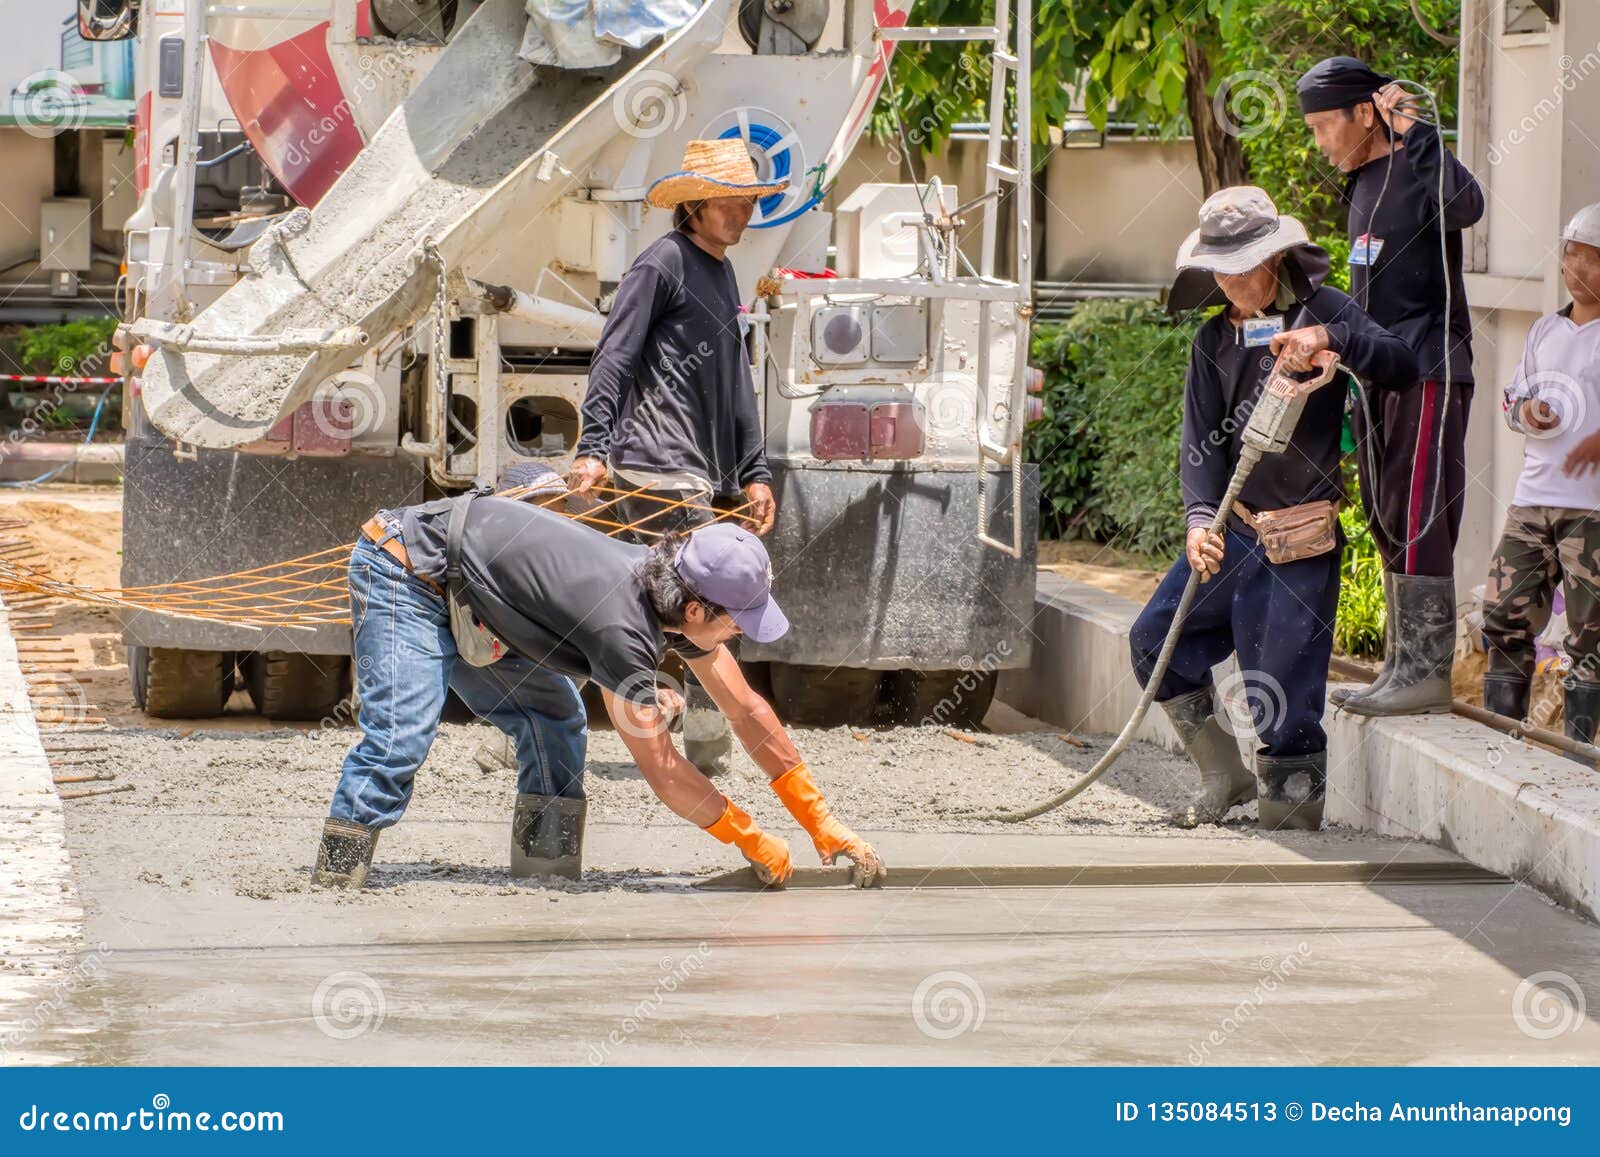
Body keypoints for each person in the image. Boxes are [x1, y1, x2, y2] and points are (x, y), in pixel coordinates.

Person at [310, 491, 886, 890]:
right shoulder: (622, 631)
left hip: (474, 591)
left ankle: (543, 872)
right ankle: (337, 874)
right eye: (737, 622)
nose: (739, 633)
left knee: (556, 719)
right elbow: (662, 769)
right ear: (694, 608)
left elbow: (744, 707)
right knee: (402, 736)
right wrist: (751, 838)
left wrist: (820, 821)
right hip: (408, 569)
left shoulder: (671, 595)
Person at [1130, 187, 1416, 831]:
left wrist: (1332, 338)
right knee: (1155, 641)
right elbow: (1200, 445)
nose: (1232, 283)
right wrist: (1200, 521)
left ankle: (1291, 827)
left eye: (1244, 267)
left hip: (1299, 541)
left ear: (1276, 258)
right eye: (1220, 271)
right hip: (1233, 532)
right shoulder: (1212, 342)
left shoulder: (1326, 310)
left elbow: (1402, 363)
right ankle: (1223, 775)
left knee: (1283, 696)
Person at [569, 138, 782, 777]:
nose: (742, 213)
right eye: (729, 202)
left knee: (673, 599)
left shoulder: (720, 270)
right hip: (660, 461)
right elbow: (614, 355)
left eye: (748, 202)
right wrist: (593, 447)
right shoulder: (660, 264)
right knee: (691, 600)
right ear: (692, 205)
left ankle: (706, 736)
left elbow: (737, 379)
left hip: (708, 469)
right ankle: (707, 739)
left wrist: (755, 470)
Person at [1299, 56, 1486, 716]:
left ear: (1364, 111)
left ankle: (1429, 673)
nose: (1319, 141)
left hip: (1430, 363)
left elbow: (1468, 205)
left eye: (1325, 125)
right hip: (1377, 370)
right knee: (1384, 514)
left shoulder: (1418, 161)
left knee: (1420, 511)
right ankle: (1401, 666)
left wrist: (1416, 128)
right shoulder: (1360, 185)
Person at [1482, 203, 1600, 755]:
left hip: (1592, 510)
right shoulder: (1544, 329)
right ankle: (1500, 747)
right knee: (1505, 615)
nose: (1575, 267)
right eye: (1571, 254)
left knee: (1589, 636)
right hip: (1532, 502)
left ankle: (1580, 757)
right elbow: (1512, 399)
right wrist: (1526, 413)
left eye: (1590, 258)